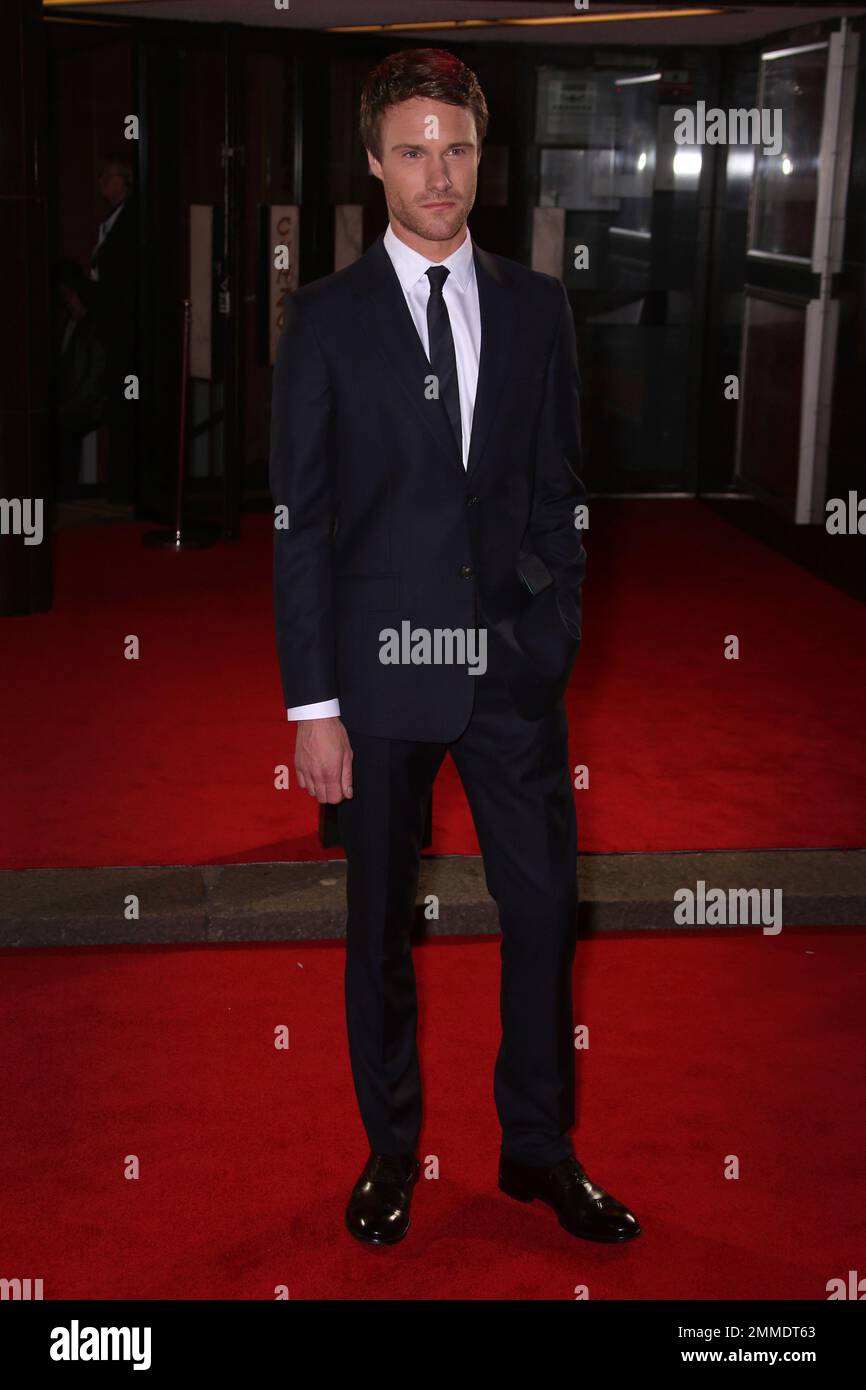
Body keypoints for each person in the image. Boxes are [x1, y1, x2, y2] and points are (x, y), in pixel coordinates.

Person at [269, 48, 640, 1247]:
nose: (439, 171)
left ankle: (535, 1146)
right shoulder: (324, 320)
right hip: (374, 681)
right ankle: (390, 1150)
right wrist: (310, 705)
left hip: (508, 675)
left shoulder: (536, 308)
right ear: (374, 162)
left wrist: (551, 632)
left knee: (541, 914)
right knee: (378, 928)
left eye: (458, 148)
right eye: (414, 149)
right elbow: (303, 522)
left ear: (482, 156)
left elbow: (557, 494)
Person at [90, 152, 138, 504]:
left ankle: (125, 483)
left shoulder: (131, 222)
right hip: (112, 328)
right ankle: (119, 481)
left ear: (124, 181)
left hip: (127, 333)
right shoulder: (111, 221)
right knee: (117, 402)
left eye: (108, 177)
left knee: (125, 403)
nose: (102, 184)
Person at [54, 259, 106, 499]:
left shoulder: (93, 329)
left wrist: (63, 409)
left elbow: (93, 382)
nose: (67, 300)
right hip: (72, 403)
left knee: (61, 433)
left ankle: (66, 493)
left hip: (87, 405)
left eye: (71, 295)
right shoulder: (69, 324)